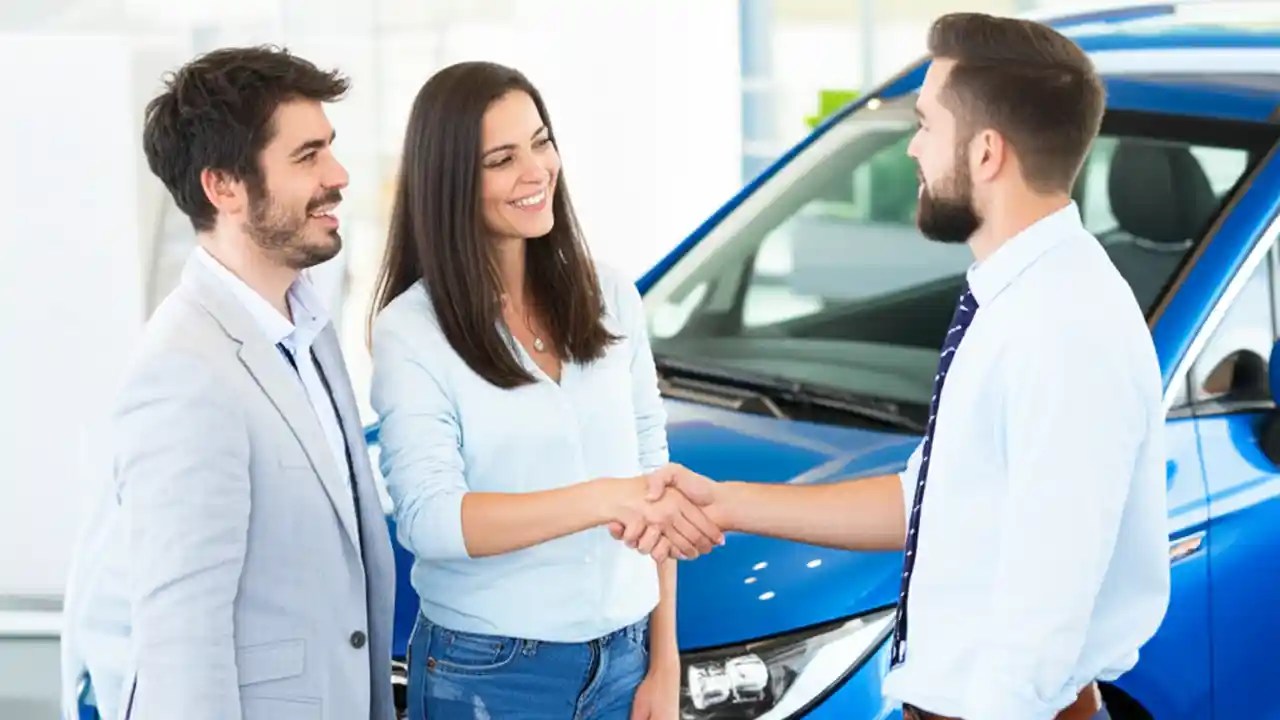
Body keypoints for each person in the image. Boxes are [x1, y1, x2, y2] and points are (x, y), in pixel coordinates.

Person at [630, 12, 1170, 720]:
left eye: (925, 123)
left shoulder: (1064, 325)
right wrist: (727, 503)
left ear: (984, 153)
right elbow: (929, 501)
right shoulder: (1014, 296)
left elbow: (1046, 610)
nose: (913, 150)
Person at [367, 60, 723, 720]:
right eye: (502, 158)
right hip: (489, 674)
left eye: (540, 141)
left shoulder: (610, 293)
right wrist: (597, 499)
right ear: (449, 182)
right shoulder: (411, 331)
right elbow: (430, 519)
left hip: (626, 659)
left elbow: (652, 469)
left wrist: (663, 657)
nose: (536, 171)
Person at [59, 46, 396, 720]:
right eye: (307, 157)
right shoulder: (184, 373)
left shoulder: (307, 324)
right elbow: (182, 646)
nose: (338, 175)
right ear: (224, 187)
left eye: (330, 147)